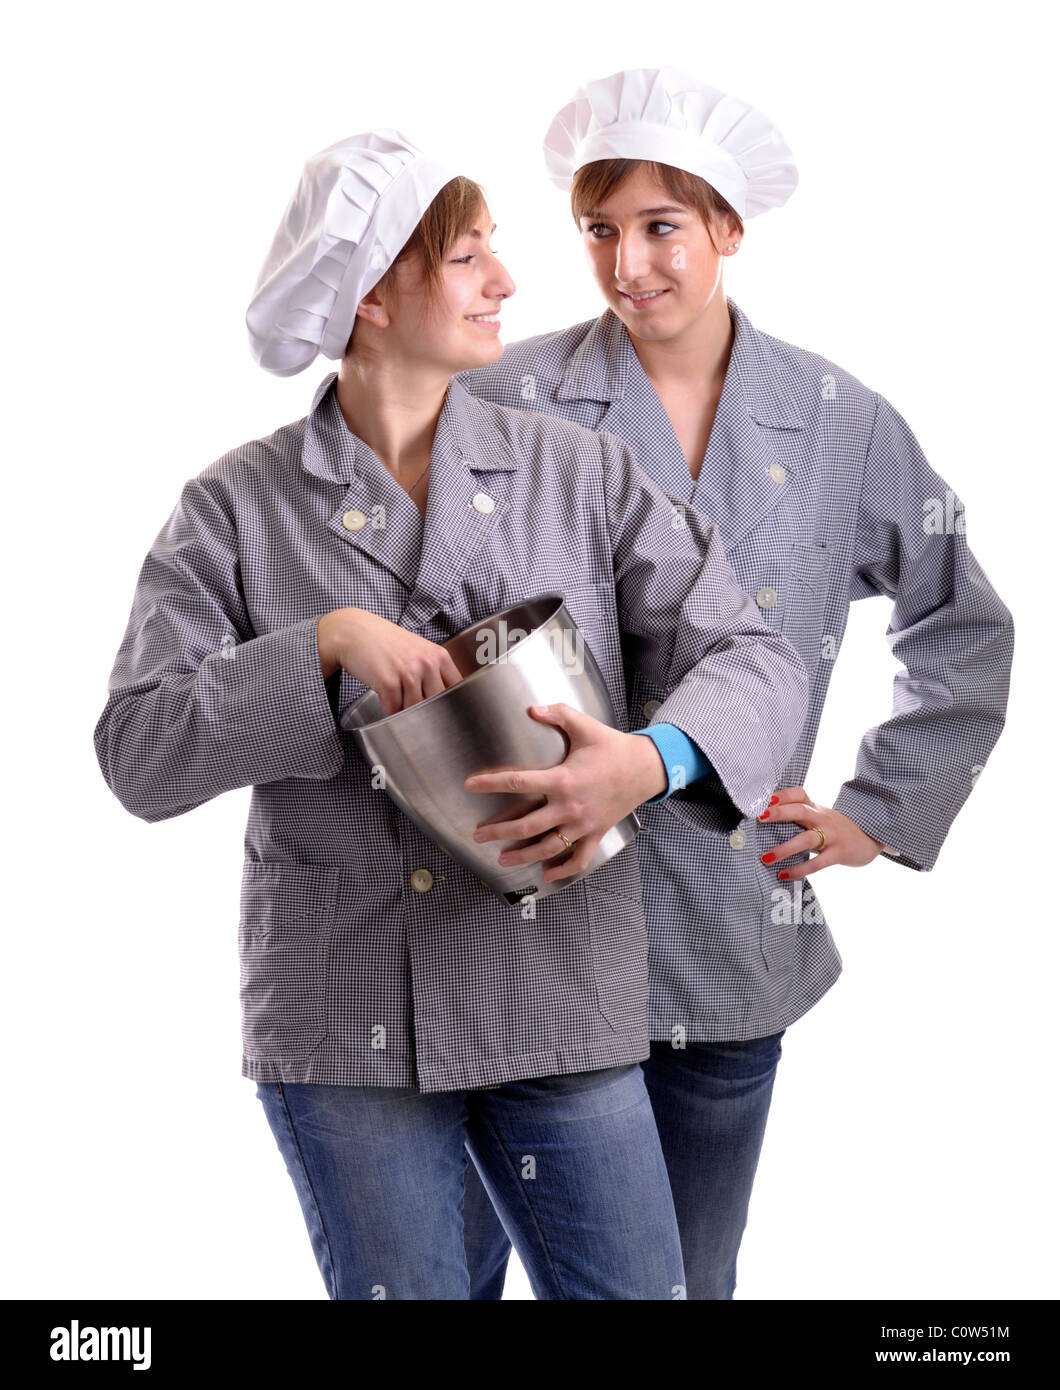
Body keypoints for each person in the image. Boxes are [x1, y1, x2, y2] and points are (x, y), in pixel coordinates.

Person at [92, 128, 810, 1300]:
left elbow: (752, 655)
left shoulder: (578, 472)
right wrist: (318, 652)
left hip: (556, 992)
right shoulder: (233, 506)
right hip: (349, 1019)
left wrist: (647, 757)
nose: (508, 283)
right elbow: (137, 752)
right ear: (373, 293)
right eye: (469, 256)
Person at [455, 67, 1016, 1299]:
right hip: (524, 930)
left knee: (685, 1289)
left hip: (725, 931)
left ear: (728, 231)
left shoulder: (837, 422)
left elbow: (962, 622)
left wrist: (877, 811)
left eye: (662, 227)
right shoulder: (504, 403)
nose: (626, 265)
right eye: (599, 231)